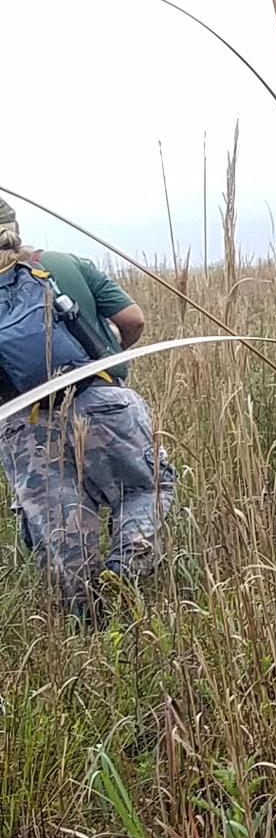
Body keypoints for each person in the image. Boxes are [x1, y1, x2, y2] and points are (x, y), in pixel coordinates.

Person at [0, 195, 174, 612]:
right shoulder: (62, 264)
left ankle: (86, 620)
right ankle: (124, 571)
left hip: (23, 425)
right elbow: (134, 320)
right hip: (101, 401)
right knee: (146, 487)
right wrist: (109, 352)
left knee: (60, 530)